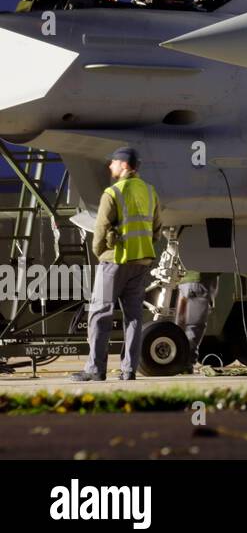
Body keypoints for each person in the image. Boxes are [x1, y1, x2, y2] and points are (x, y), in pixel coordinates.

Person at [72, 147, 161, 381]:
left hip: (115, 261)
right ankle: (129, 370)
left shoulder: (113, 193)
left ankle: (95, 369)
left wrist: (101, 253)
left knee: (100, 314)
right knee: (133, 318)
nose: (110, 166)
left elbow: (99, 231)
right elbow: (157, 229)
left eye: (113, 162)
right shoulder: (150, 192)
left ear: (124, 165)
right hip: (141, 262)